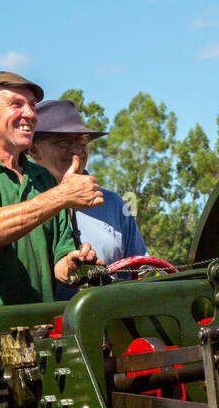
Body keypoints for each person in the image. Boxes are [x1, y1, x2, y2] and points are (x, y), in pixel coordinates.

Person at [0, 71, 101, 315]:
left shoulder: (41, 177)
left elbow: (60, 261)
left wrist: (74, 265)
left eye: (32, 106)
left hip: (41, 327)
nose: (31, 114)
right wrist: (63, 195)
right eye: (17, 104)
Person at [27, 99, 147, 300]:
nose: (77, 150)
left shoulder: (112, 204)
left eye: (82, 140)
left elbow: (141, 272)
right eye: (64, 141)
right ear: (33, 150)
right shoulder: (22, 206)